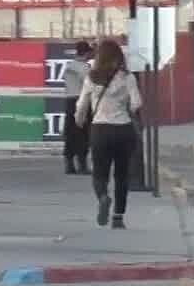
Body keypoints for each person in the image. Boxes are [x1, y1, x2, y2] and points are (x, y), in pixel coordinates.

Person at [74, 39, 142, 230]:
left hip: (100, 130)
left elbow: (81, 105)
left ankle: (103, 197)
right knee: (121, 175)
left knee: (99, 173)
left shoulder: (91, 78)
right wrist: (125, 106)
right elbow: (137, 103)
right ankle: (118, 217)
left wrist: (79, 120)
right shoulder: (127, 78)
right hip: (122, 129)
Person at [60, 40, 93, 175]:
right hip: (81, 101)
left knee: (70, 133)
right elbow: (89, 85)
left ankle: (69, 163)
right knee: (83, 134)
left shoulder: (69, 66)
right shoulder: (85, 68)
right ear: (86, 53)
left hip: (69, 101)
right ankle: (82, 164)